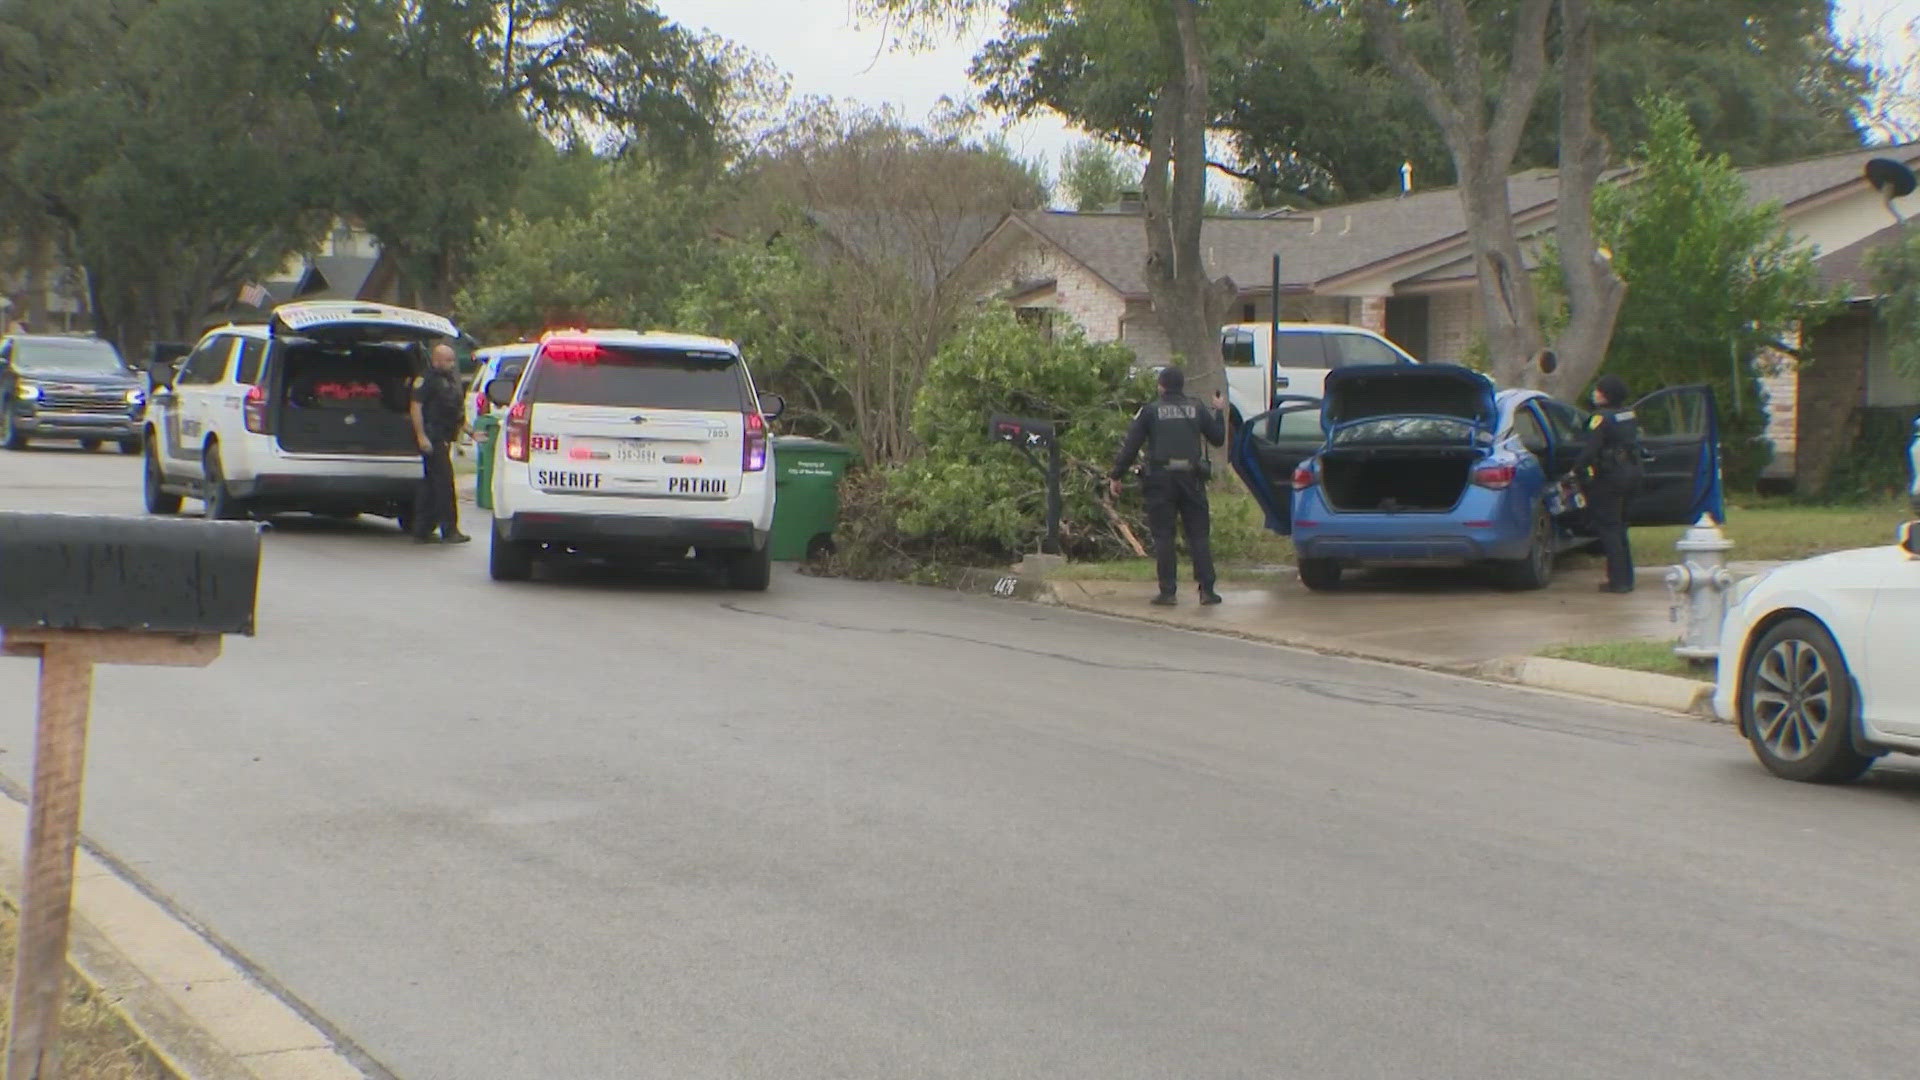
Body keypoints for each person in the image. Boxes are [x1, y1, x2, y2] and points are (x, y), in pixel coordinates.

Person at [1109, 366, 1227, 606]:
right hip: (1192, 480)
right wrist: (1218, 411)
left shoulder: (1151, 411)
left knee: (1164, 536)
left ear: (1161, 386)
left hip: (1160, 480)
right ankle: (1207, 590)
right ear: (1181, 386)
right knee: (1199, 536)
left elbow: (1131, 446)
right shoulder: (1196, 408)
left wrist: (1116, 476)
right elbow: (1217, 438)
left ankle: (1168, 591)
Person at [1575, 374, 1642, 594]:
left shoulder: (1600, 419)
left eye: (1598, 390)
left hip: (1609, 477)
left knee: (1609, 529)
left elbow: (1590, 450)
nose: (1594, 393)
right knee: (1620, 528)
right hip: (1631, 473)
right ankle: (1627, 578)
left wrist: (1575, 469)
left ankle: (1618, 581)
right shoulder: (1628, 414)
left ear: (1607, 395)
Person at [409, 343, 469, 544]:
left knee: (430, 485)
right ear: (436, 360)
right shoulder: (427, 380)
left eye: (453, 360)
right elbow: (415, 407)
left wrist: (469, 430)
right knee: (444, 484)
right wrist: (421, 436)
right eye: (448, 360)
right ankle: (449, 530)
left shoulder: (448, 380)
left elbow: (454, 409)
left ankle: (422, 528)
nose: (452, 364)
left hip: (444, 435)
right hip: (433, 437)